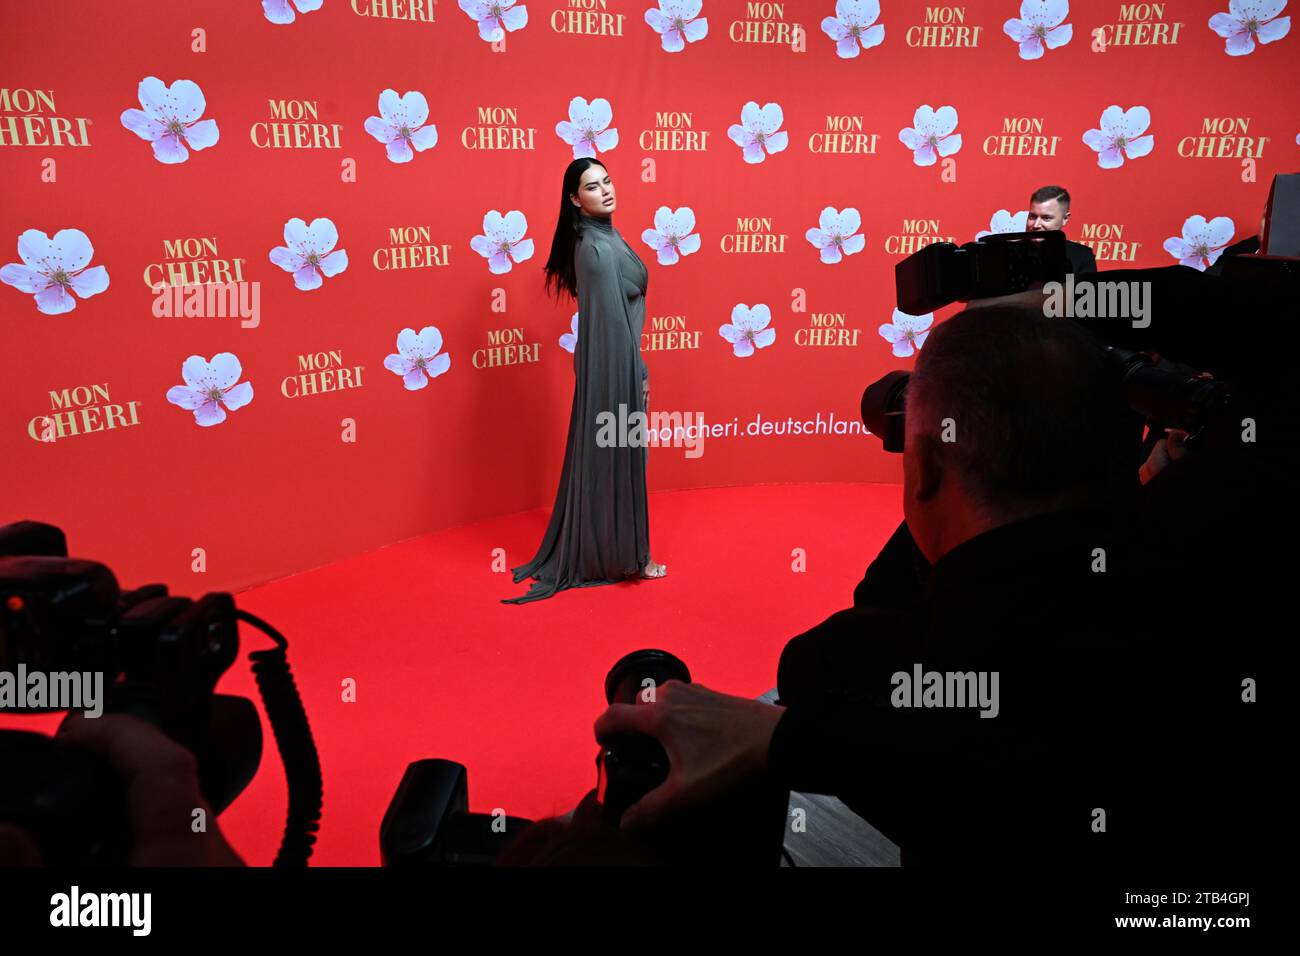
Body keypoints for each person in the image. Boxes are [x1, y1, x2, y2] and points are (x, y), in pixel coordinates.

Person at [593, 305, 1246, 866]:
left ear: (926, 467)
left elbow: (862, 659)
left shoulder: (865, 670)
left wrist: (785, 743)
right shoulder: (1207, 588)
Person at [502, 159, 665, 605]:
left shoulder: (604, 237)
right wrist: (638, 376)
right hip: (613, 372)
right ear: (575, 200)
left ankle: (624, 553)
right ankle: (629, 558)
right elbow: (610, 329)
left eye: (608, 180)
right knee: (620, 457)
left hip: (616, 367)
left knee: (622, 457)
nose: (606, 191)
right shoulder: (595, 250)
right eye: (593, 187)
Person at [1027, 184, 1097, 274]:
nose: (1036, 225)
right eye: (1032, 216)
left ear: (1065, 219)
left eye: (1046, 218)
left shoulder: (1082, 255)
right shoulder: (1007, 252)